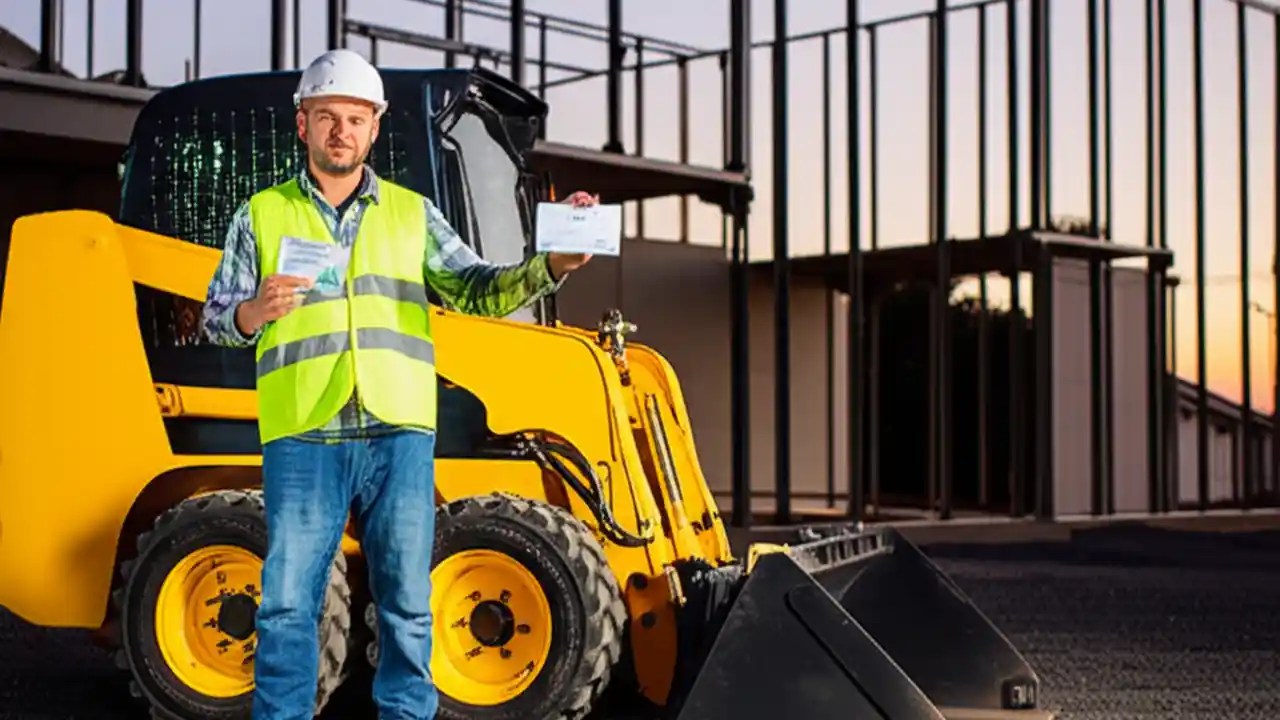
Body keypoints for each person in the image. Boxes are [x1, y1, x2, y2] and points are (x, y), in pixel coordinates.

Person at [200, 48, 596, 720]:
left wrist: (549, 264)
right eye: (328, 116)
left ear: (374, 128)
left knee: (408, 601)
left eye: (355, 118)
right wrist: (251, 312)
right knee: (289, 602)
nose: (341, 131)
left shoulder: (411, 215)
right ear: (303, 125)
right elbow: (215, 318)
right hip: (305, 435)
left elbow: (479, 291)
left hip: (397, 431)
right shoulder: (260, 215)